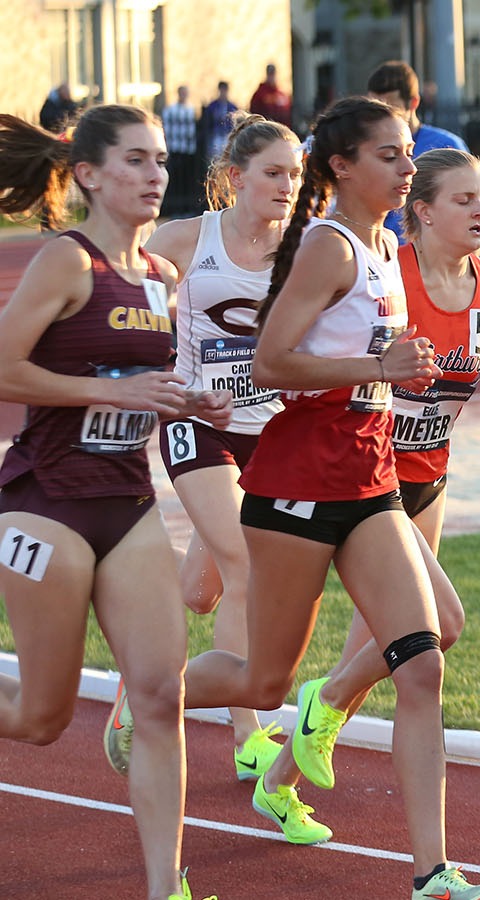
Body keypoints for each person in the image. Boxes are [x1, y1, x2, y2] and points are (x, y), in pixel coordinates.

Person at [171, 95, 480, 900]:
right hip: (295, 484)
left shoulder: (387, 244)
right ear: (344, 166)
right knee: (263, 683)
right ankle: (153, 693)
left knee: (421, 660)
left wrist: (400, 366)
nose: (407, 166)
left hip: (371, 481)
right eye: (389, 155)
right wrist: (375, 370)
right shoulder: (325, 246)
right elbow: (273, 363)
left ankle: (433, 874)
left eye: (410, 151)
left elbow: (372, 353)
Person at [246, 147, 480, 845]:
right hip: (368, 476)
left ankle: (278, 780)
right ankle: (308, 709)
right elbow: (306, 352)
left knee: (392, 648)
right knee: (437, 629)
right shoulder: (390, 277)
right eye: (464, 200)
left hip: (428, 484)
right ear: (422, 212)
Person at [0, 104, 230, 900]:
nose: (154, 175)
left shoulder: (161, 278)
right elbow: (3, 369)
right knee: (38, 719)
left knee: (162, 695)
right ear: (90, 174)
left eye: (161, 160)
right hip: (47, 501)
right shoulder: (67, 262)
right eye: (135, 160)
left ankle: (166, 888)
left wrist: (186, 402)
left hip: (128, 500)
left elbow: (136, 386)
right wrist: (121, 388)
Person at [142, 113, 300, 791]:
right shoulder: (181, 240)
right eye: (274, 173)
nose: (288, 186)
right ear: (236, 178)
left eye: (296, 174)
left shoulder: (306, 250)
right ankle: (248, 738)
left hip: (271, 431)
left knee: (201, 594)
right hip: (195, 422)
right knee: (244, 561)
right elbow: (130, 312)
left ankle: (144, 681)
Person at [368, 60, 467, 240]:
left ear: (413, 103)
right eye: (374, 108)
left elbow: (468, 209)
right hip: (380, 256)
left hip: (426, 258)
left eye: (390, 107)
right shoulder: (366, 149)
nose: (381, 116)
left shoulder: (447, 146)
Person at [160, 85, 200, 216]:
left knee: (186, 178)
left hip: (187, 149)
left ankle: (185, 208)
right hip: (175, 148)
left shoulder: (190, 110)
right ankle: (176, 208)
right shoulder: (171, 110)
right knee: (176, 178)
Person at [199, 82, 239, 160]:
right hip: (215, 135)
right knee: (215, 157)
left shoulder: (232, 107)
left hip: (228, 135)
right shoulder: (213, 106)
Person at [249, 63, 294, 129]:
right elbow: (255, 113)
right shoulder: (260, 94)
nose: (272, 77)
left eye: (273, 74)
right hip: (266, 130)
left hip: (282, 130)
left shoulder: (282, 94)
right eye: (270, 74)